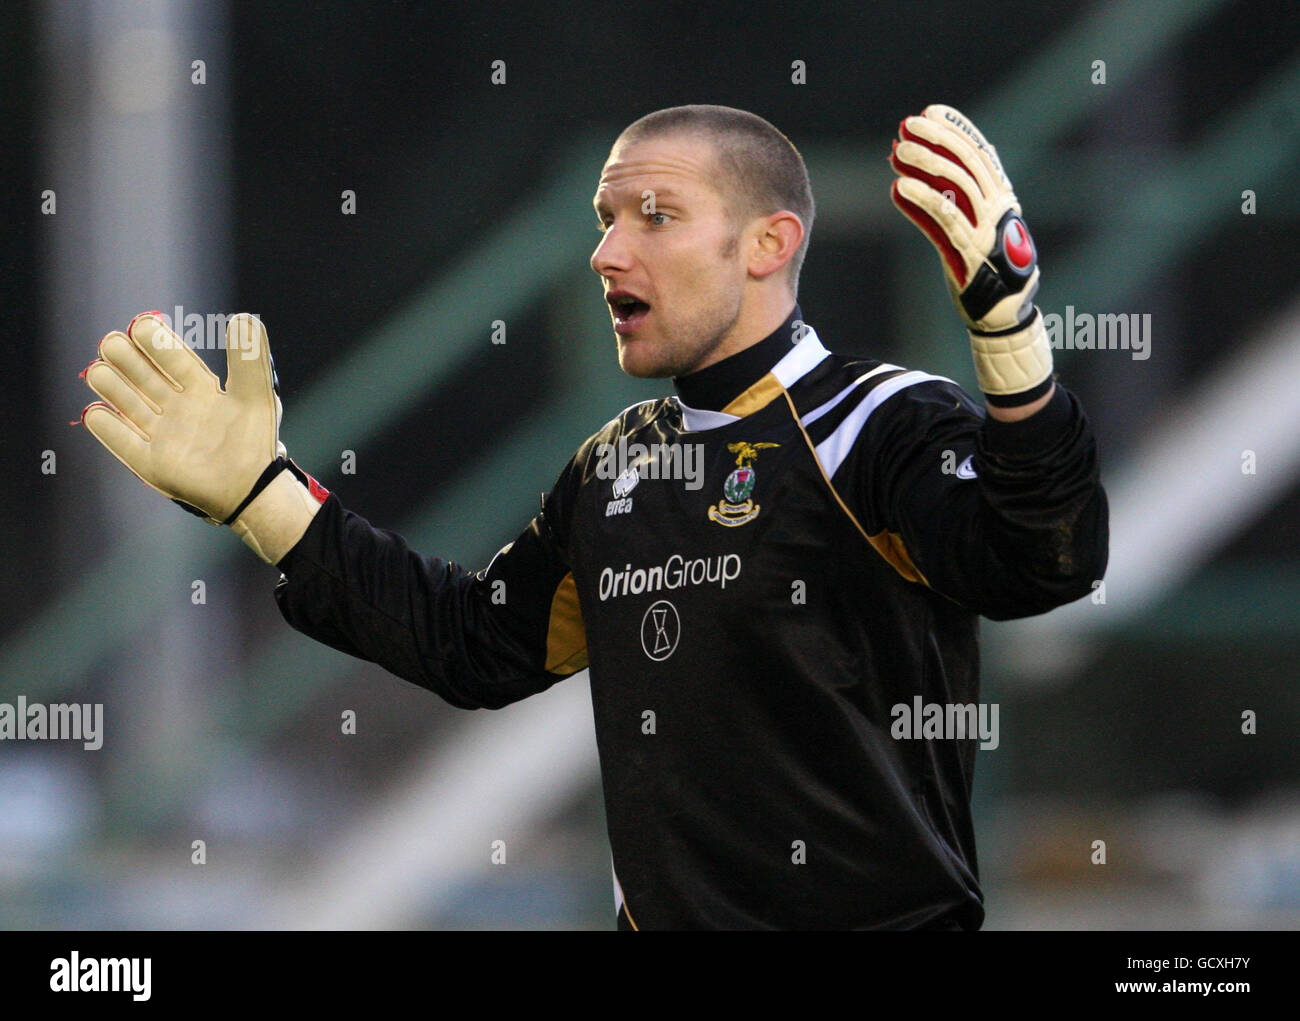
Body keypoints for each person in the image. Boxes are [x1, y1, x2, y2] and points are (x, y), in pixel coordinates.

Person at [79, 104, 1108, 930]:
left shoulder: (877, 421)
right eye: (603, 219)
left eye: (652, 215)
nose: (607, 252)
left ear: (768, 243)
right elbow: (472, 644)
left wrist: (1008, 336)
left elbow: (1043, 560)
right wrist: (269, 502)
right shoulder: (614, 465)